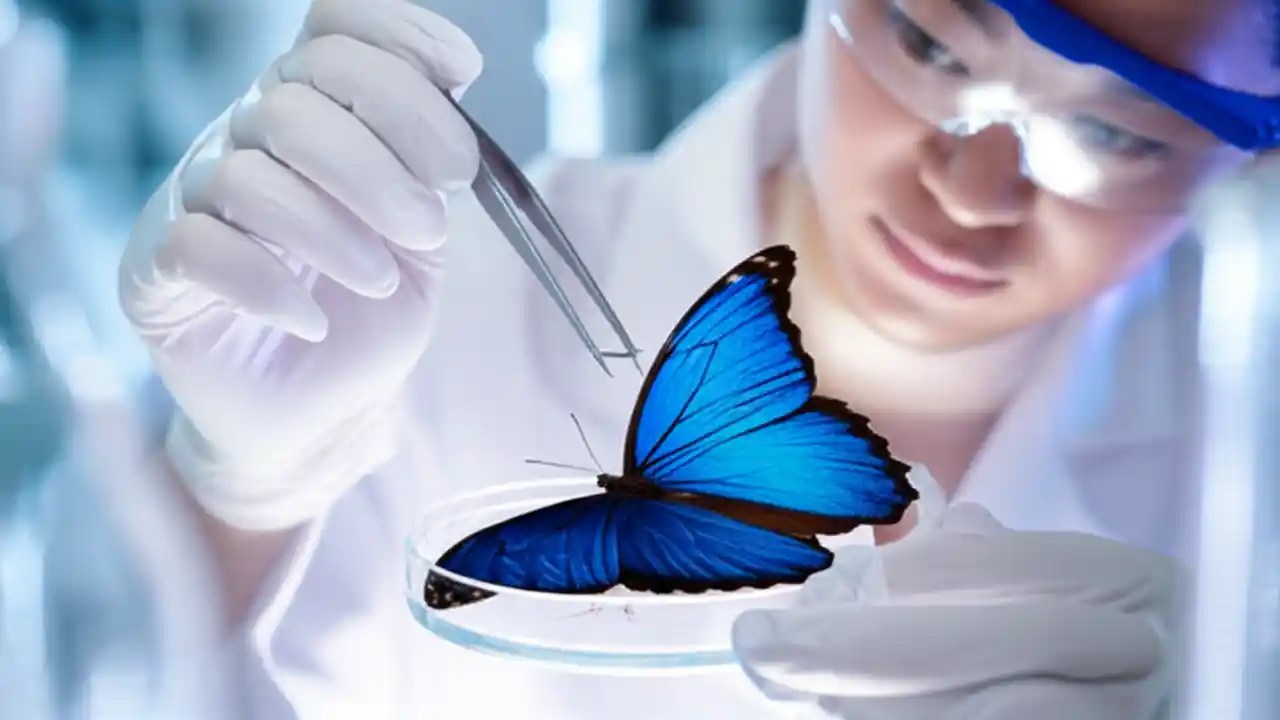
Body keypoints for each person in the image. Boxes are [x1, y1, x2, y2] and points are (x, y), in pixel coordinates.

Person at [115, 0, 1277, 717]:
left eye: (1114, 134)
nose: (970, 194)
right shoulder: (426, 304)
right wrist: (232, 501)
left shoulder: (1247, 451)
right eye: (929, 42)